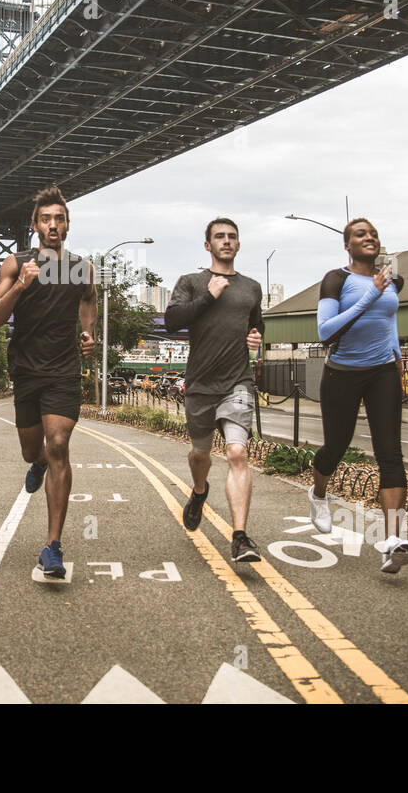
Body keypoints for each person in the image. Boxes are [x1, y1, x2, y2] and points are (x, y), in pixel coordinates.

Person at [0, 186, 97, 579]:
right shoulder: (15, 264)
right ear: (34, 226)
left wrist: (87, 332)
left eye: (59, 219)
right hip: (27, 371)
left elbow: (88, 299)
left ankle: (52, 545)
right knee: (33, 449)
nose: (53, 225)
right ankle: (36, 463)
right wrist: (20, 285)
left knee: (60, 445)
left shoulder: (81, 266)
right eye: (46, 219)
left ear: (67, 225)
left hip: (63, 370)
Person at [309, 217, 408, 573]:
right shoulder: (336, 279)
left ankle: (393, 541)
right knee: (335, 447)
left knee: (390, 452)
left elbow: (390, 321)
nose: (369, 238)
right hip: (342, 374)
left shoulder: (392, 281)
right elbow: (326, 330)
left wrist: (397, 357)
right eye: (360, 234)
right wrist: (371, 293)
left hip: (382, 372)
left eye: (372, 233)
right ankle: (319, 493)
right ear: (347, 245)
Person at [165, 218, 265, 563]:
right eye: (219, 237)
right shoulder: (192, 282)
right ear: (208, 245)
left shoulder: (252, 288)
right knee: (200, 454)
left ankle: (240, 537)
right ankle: (199, 490)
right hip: (200, 385)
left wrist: (256, 338)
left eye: (232, 237)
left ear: (238, 244)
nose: (226, 241)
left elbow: (257, 326)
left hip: (238, 381)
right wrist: (210, 295)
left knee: (237, 453)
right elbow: (173, 320)